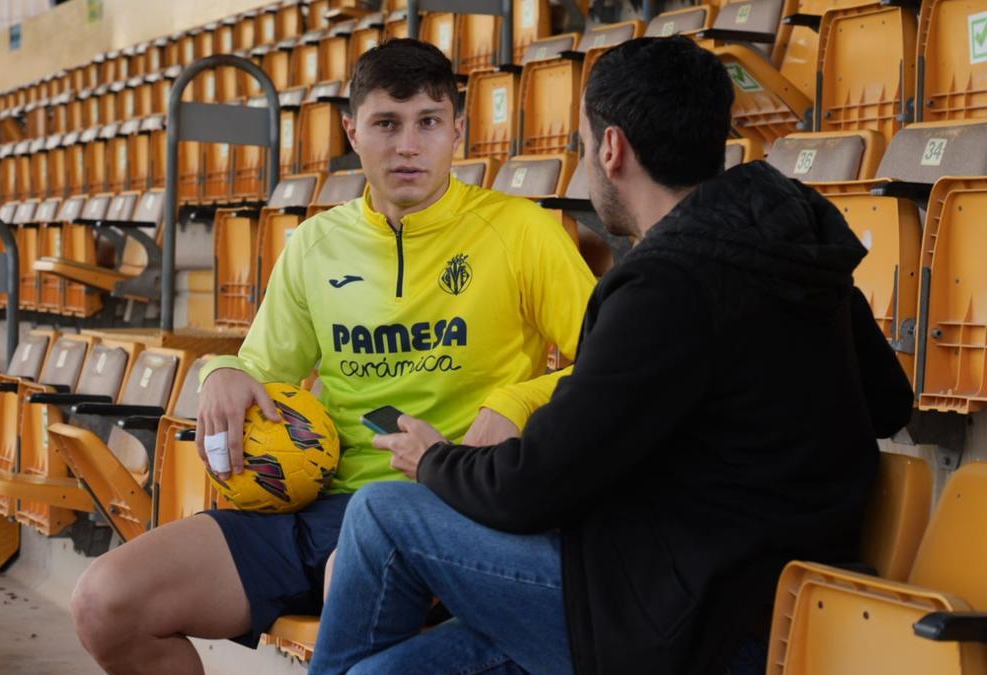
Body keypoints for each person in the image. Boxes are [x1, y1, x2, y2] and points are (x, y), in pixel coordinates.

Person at [310, 36, 914, 675]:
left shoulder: (666, 285)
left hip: (686, 622)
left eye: (582, 143)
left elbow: (535, 489)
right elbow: (889, 402)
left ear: (611, 147)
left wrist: (435, 459)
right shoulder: (787, 238)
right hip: (768, 596)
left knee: (383, 510)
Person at [69, 38, 598, 674]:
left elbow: (609, 369)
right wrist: (224, 373)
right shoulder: (316, 243)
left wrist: (515, 399)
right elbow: (262, 368)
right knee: (107, 603)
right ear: (352, 130)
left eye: (428, 122)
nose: (407, 146)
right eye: (386, 123)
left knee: (354, 578)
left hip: (450, 508)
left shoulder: (525, 232)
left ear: (458, 130)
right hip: (320, 505)